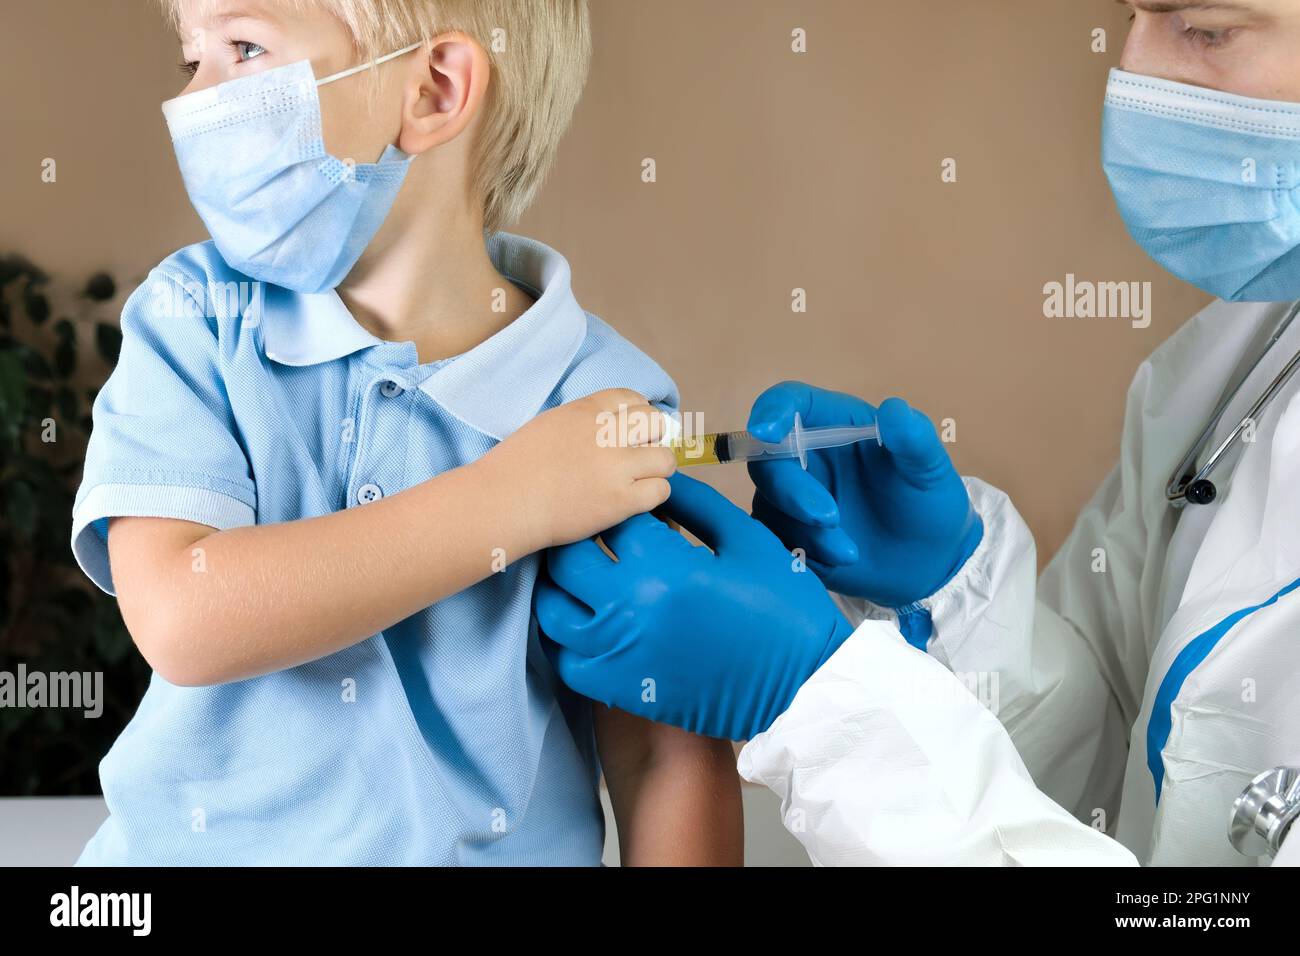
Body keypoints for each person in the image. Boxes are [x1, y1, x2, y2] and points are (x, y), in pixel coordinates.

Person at [537, 0, 1300, 866]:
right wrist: (950, 596)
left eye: (1205, 30)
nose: (1131, 73)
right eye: (1129, 15)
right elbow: (1120, 765)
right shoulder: (1240, 356)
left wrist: (822, 700)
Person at [70, 0, 742, 865]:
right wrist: (517, 499)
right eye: (190, 57)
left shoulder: (602, 403)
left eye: (243, 47)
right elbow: (182, 614)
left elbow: (659, 750)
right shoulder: (192, 316)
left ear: (434, 90)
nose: (197, 96)